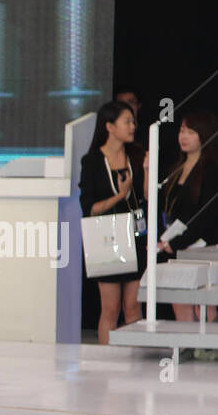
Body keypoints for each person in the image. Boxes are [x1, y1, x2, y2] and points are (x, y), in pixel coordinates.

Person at [79, 100, 147, 344]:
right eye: (126, 122)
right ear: (109, 126)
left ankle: (134, 358)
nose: (132, 126)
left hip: (136, 237)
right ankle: (106, 361)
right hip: (107, 240)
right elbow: (89, 208)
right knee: (110, 309)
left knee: (133, 307)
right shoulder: (92, 162)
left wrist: (148, 170)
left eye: (133, 121)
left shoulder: (137, 156)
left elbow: (147, 198)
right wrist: (119, 195)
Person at [158, 110, 218, 325]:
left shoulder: (211, 170)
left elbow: (207, 216)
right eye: (182, 130)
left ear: (204, 134)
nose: (183, 136)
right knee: (180, 301)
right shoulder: (175, 169)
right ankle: (184, 347)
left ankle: (208, 349)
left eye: (191, 132)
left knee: (204, 302)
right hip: (176, 246)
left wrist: (176, 243)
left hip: (202, 245)